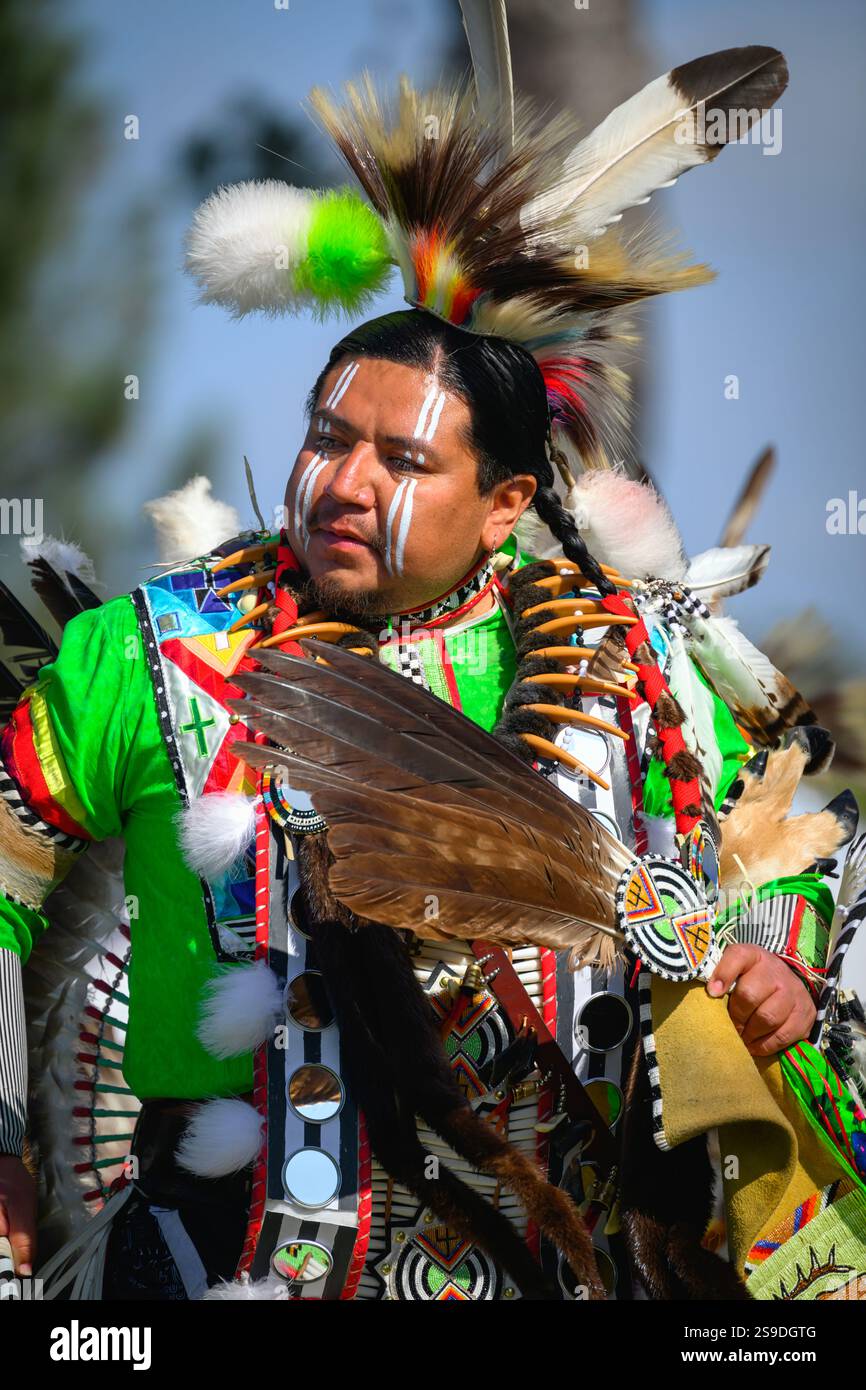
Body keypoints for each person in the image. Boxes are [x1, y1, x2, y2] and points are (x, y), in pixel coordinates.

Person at [1, 17, 864, 1302]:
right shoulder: (153, 653)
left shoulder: (635, 664)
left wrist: (772, 966)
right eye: (325, 436)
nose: (341, 484)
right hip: (220, 1257)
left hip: (557, 1255)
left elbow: (760, 851)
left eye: (401, 461)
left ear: (507, 500)